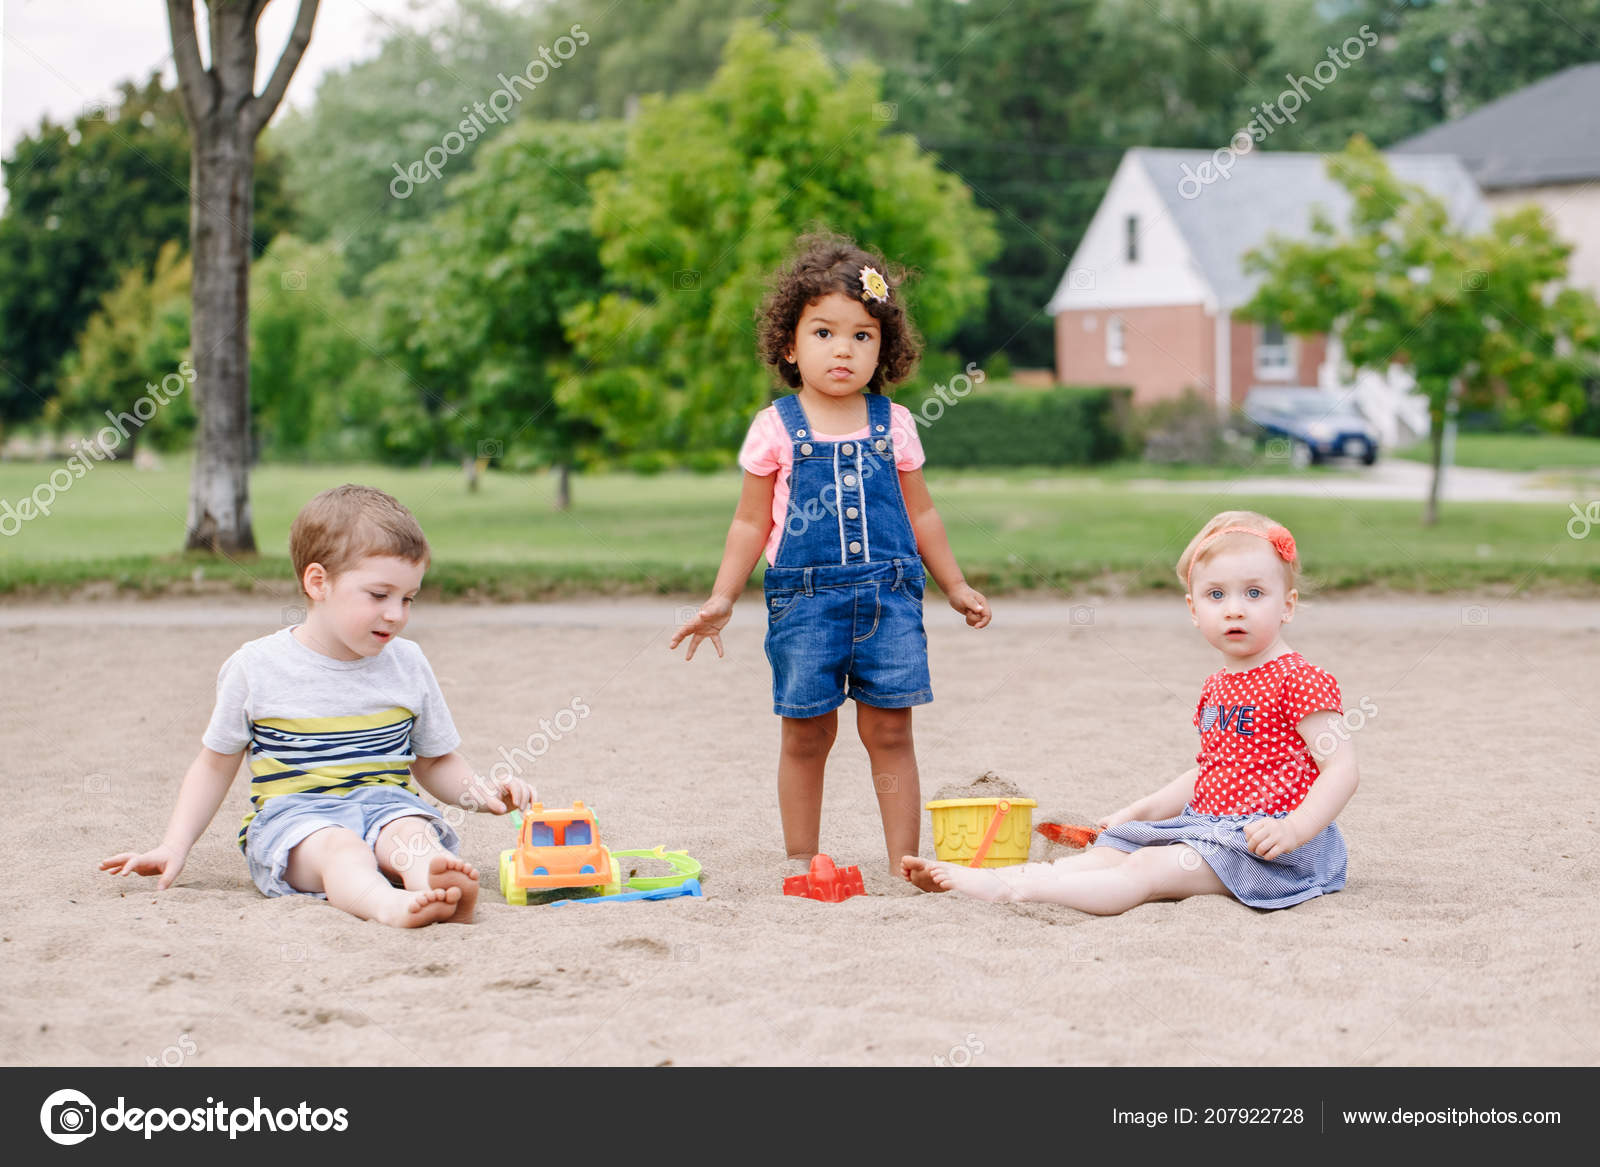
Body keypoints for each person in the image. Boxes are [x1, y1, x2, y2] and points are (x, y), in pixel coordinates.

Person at [669, 231, 992, 871]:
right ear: (790, 345)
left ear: (884, 349)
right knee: (807, 732)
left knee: (891, 730)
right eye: (823, 333)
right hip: (805, 603)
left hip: (889, 599)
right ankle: (801, 860)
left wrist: (954, 585)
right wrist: (722, 596)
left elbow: (921, 512)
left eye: (862, 335)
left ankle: (905, 861)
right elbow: (748, 524)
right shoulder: (775, 428)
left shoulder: (894, 423)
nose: (842, 349)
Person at [101, 484, 533, 927]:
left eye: (408, 598)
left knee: (414, 833)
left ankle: (431, 880)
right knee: (340, 848)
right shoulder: (256, 668)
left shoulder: (408, 663)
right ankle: (386, 905)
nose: (396, 614)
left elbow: (435, 759)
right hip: (297, 823)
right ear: (318, 582)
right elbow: (214, 766)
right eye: (379, 595)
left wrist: (480, 793)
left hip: (387, 806)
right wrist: (174, 846)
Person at [902, 510, 1358, 913]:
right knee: (1105, 853)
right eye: (1216, 595)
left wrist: (1294, 829)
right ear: (1194, 609)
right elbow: (1212, 772)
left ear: (1288, 606)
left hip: (1268, 848)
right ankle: (1002, 878)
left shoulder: (1299, 678)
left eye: (1254, 593)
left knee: (1148, 868)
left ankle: (1013, 894)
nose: (1234, 609)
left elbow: (1341, 769)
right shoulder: (1219, 684)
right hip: (1207, 831)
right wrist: (1137, 811)